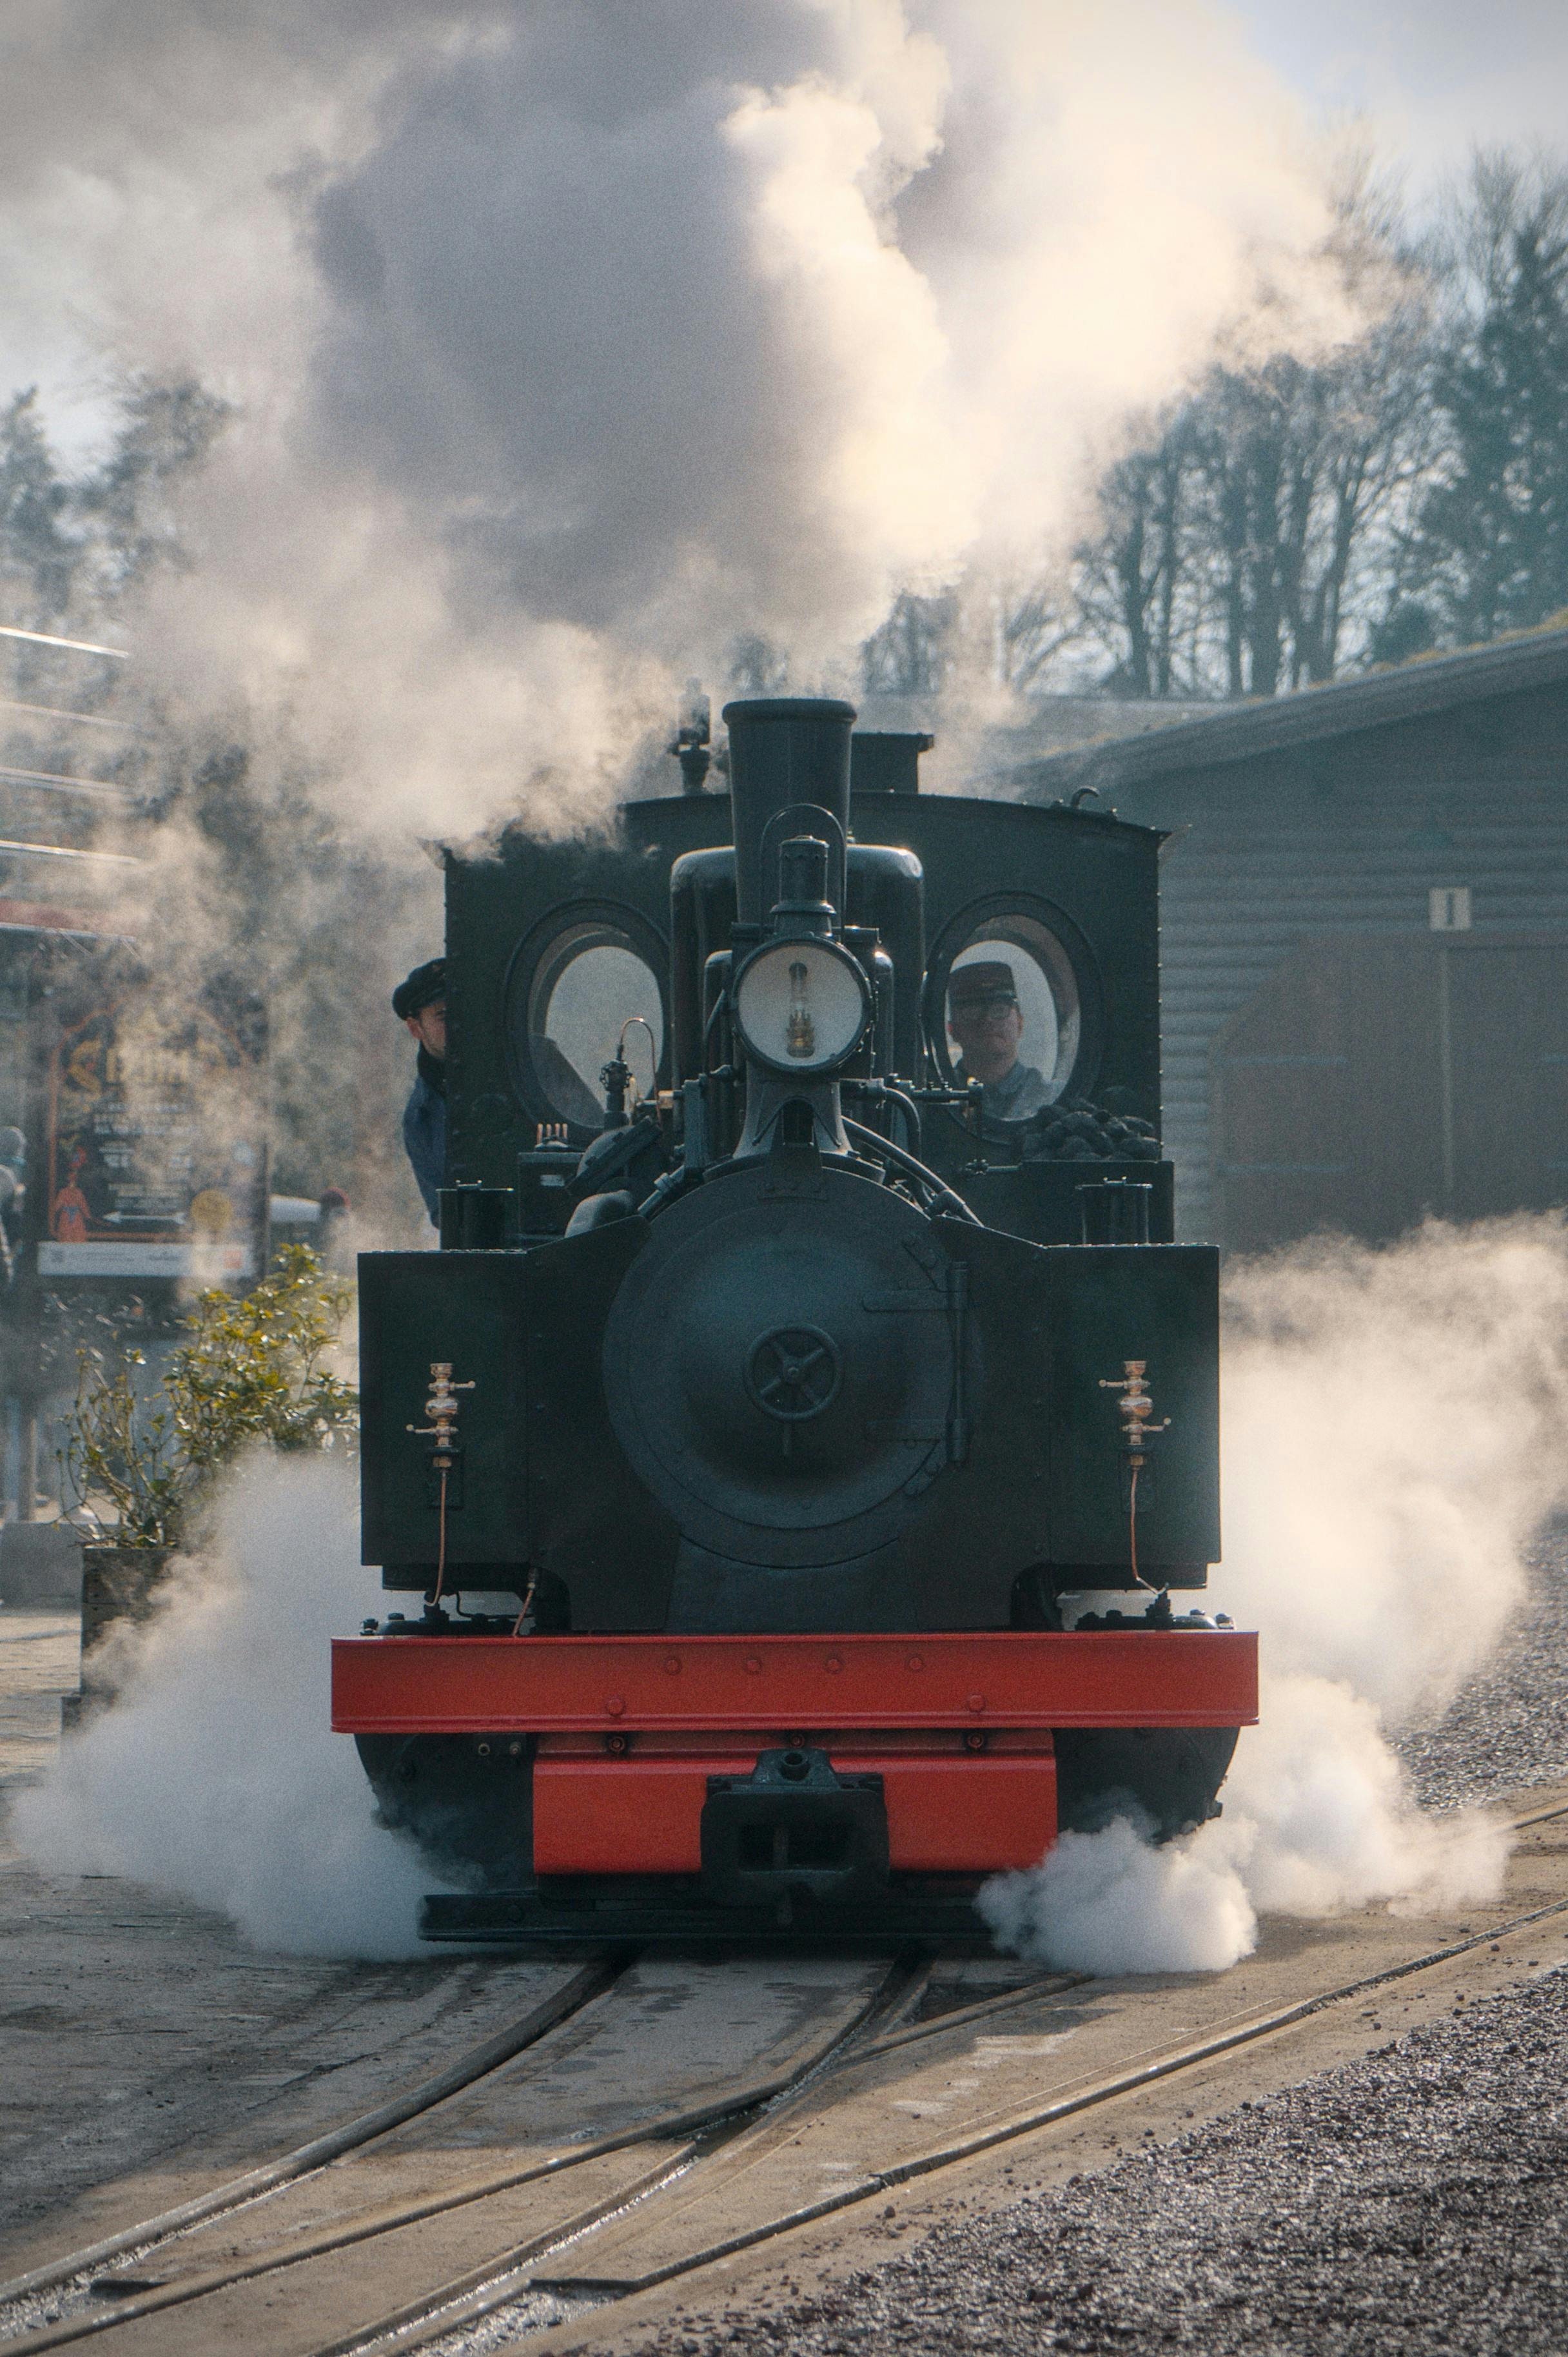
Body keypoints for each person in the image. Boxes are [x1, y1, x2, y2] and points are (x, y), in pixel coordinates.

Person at [947, 960, 1050, 1122]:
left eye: (999, 1010)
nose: (987, 1020)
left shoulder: (1048, 1098)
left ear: (1020, 1023)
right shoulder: (941, 1100)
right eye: (972, 1012)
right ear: (953, 1030)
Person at [393, 958, 447, 1222]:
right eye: (443, 1016)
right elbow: (442, 1214)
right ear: (416, 1027)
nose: (458, 1023)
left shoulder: (537, 1058)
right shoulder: (419, 1117)